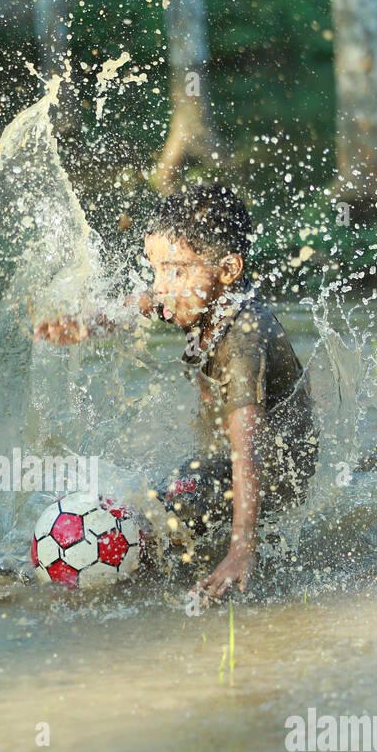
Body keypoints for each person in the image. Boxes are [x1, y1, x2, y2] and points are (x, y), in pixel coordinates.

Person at [35, 184, 318, 597]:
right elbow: (140, 304)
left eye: (177, 270)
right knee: (147, 508)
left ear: (227, 270)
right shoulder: (199, 300)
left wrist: (242, 547)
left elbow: (248, 449)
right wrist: (87, 324)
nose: (162, 286)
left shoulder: (241, 340)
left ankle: (102, 587)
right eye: (156, 269)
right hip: (221, 461)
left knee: (154, 533)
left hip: (270, 474)